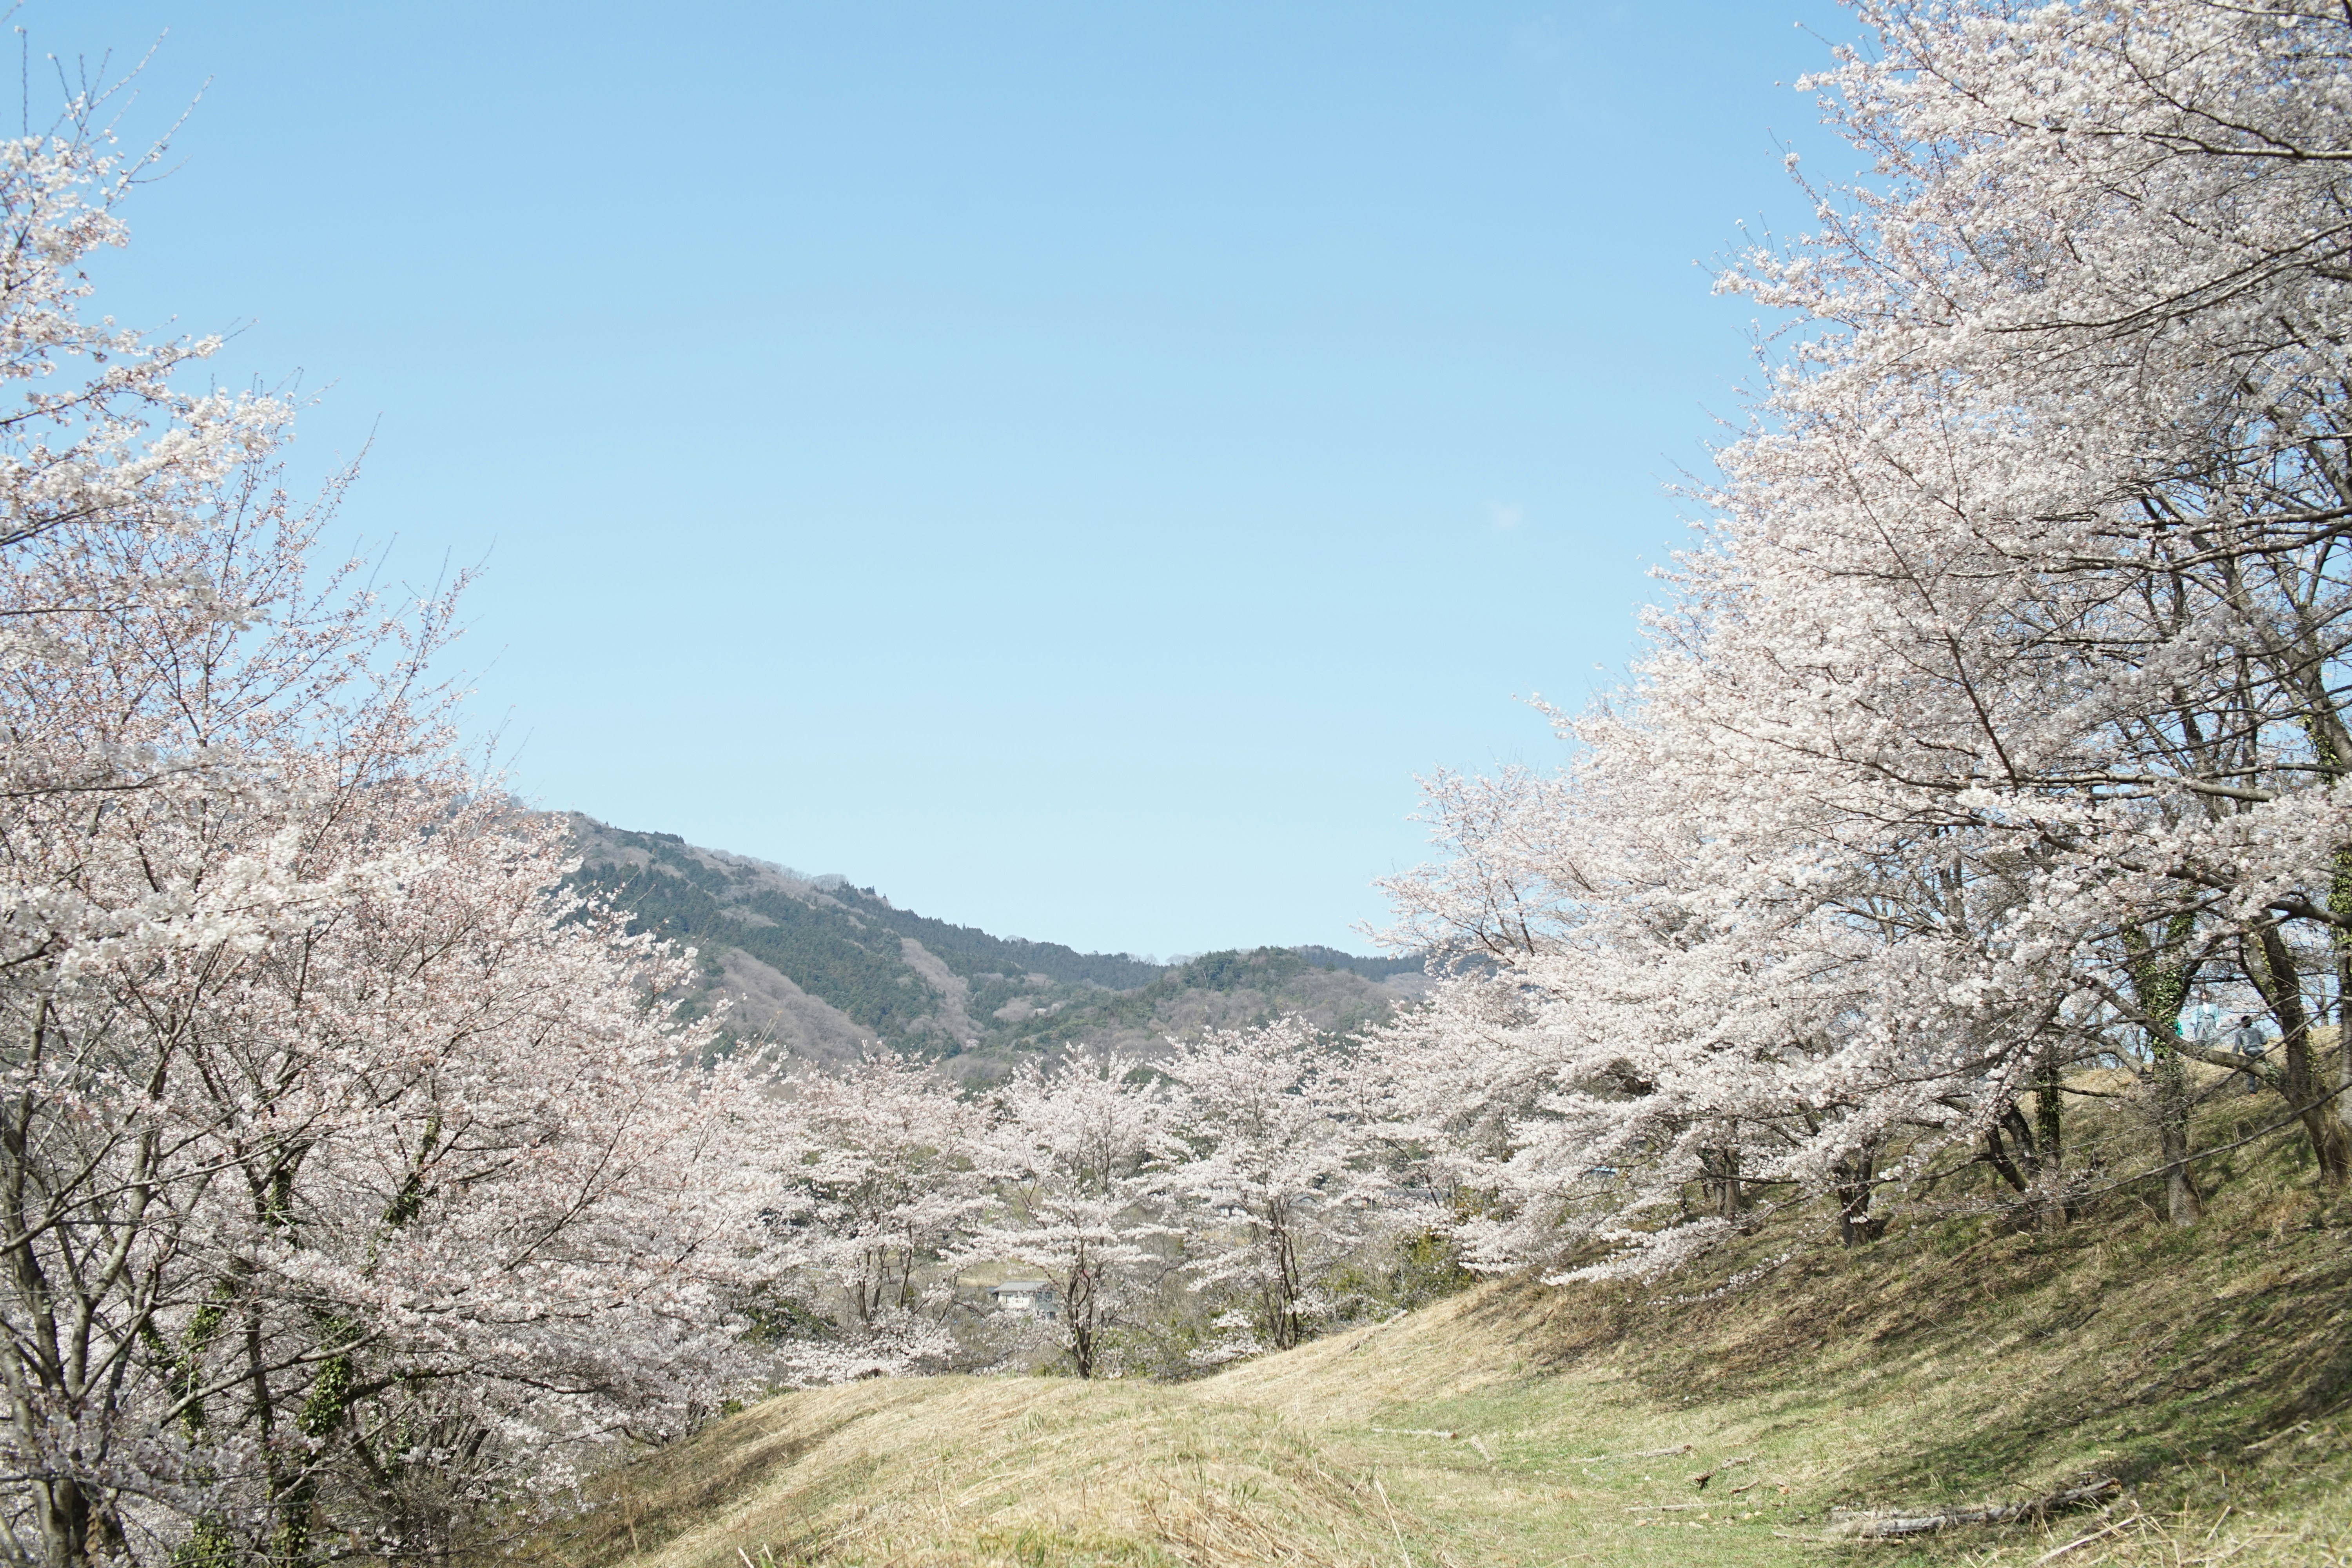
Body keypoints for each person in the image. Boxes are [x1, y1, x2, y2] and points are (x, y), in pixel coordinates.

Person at [2229, 1014, 2267, 1094]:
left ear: (2243, 1023)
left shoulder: (2240, 1033)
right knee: (2266, 1068)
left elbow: (2237, 1046)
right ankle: (2268, 1085)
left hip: (2250, 1052)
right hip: (2260, 1050)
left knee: (2251, 1070)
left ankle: (2252, 1091)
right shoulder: (2257, 1030)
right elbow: (2265, 1041)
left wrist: (2234, 1056)